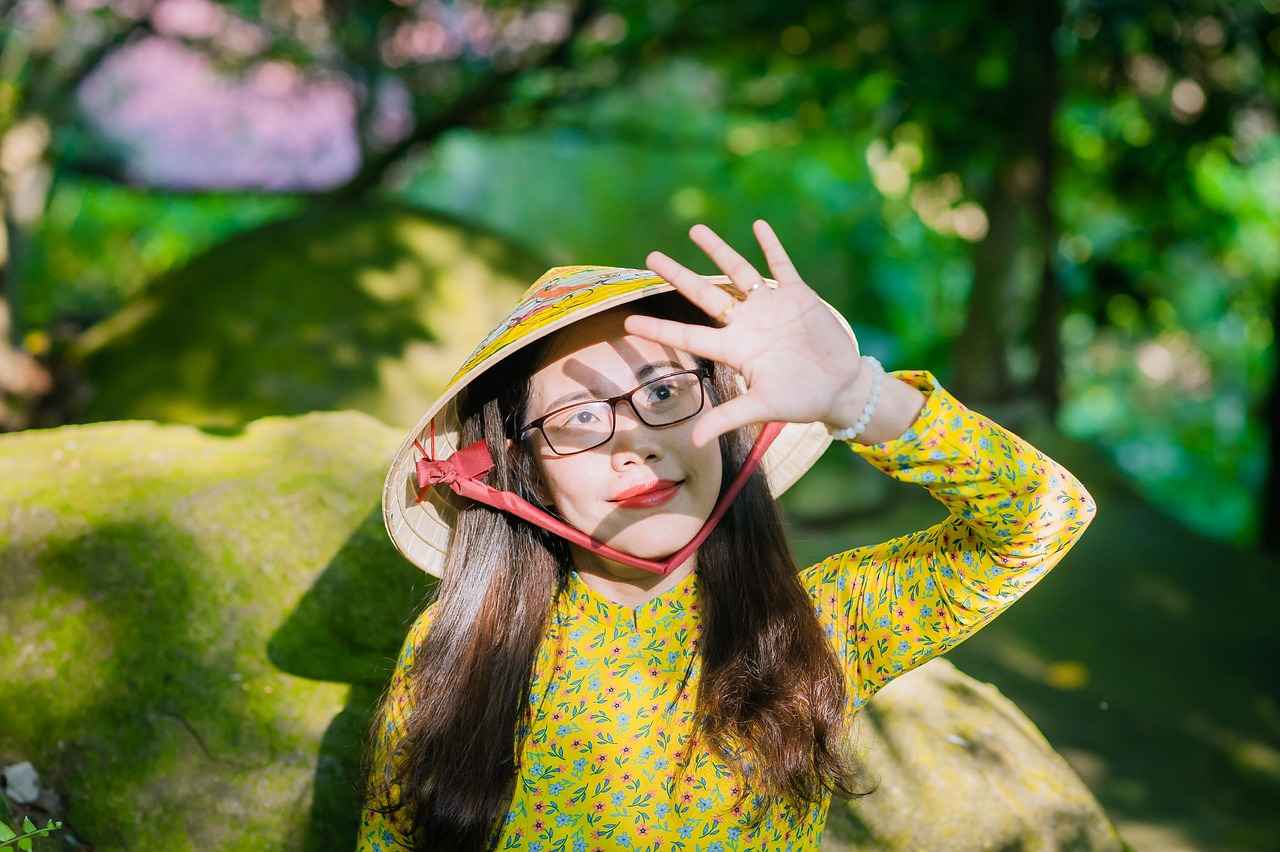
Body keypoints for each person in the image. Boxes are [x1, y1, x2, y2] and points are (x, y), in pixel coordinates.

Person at [357, 220, 1097, 850]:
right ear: (517, 469)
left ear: (727, 410)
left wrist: (854, 397)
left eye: (663, 392)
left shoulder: (817, 628)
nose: (636, 441)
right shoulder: (460, 648)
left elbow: (1042, 515)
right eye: (579, 418)